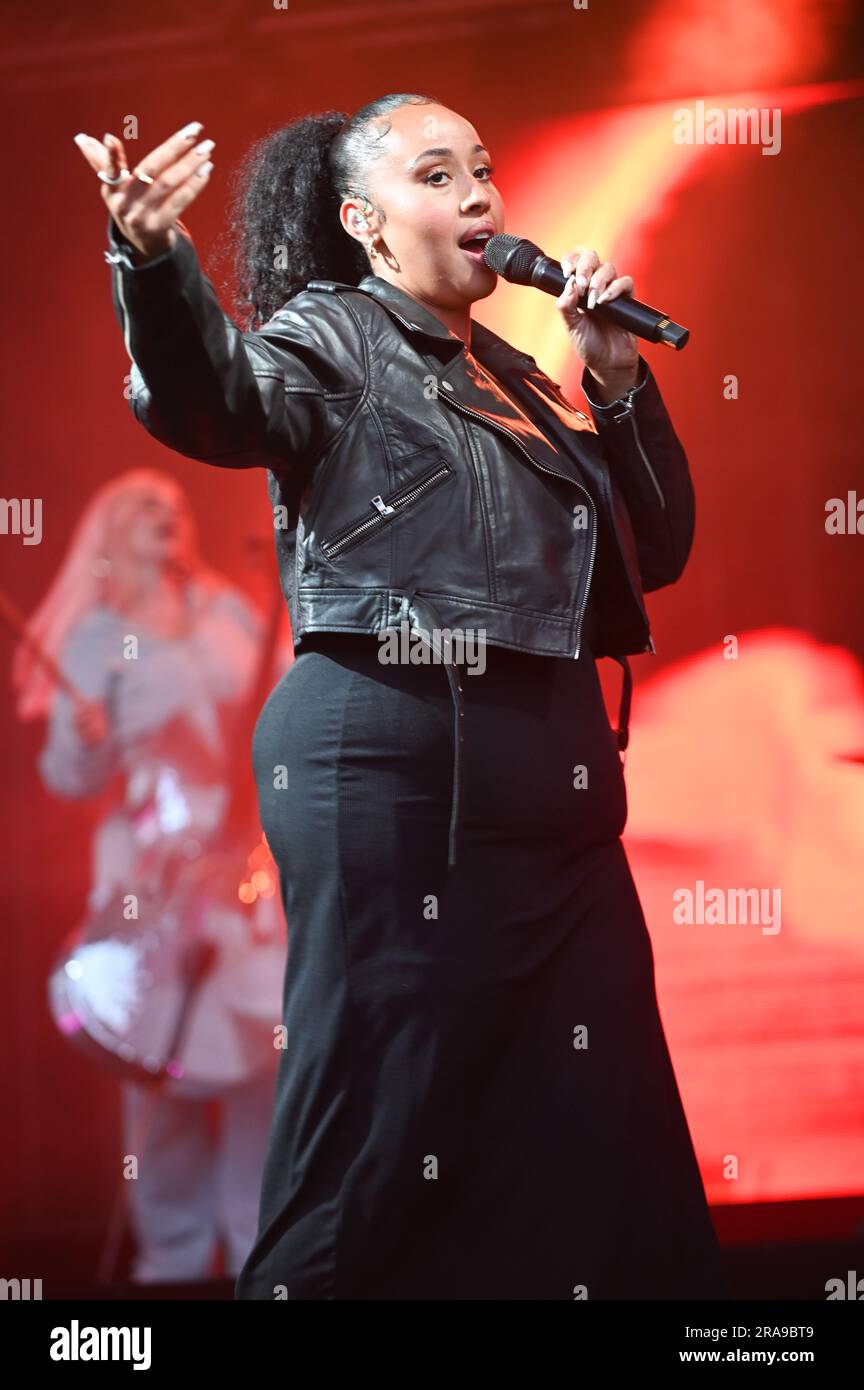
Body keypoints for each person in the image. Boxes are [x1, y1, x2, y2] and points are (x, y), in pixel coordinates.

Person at [73, 94, 729, 1299]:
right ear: (368, 225)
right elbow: (212, 397)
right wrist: (152, 260)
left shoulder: (525, 380)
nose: (479, 191)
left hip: (559, 805)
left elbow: (660, 550)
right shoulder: (332, 334)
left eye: (484, 166)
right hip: (395, 768)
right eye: (439, 175)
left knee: (607, 1132)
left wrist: (618, 380)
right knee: (377, 1127)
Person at [14, 469, 286, 1283]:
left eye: (175, 505)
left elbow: (282, 709)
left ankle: (253, 1251)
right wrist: (88, 736)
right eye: (145, 508)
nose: (168, 513)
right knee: (157, 1067)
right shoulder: (98, 637)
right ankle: (170, 1258)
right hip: (154, 878)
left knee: (260, 1059)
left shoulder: (232, 613)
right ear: (111, 533)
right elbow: (70, 773)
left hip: (251, 869)